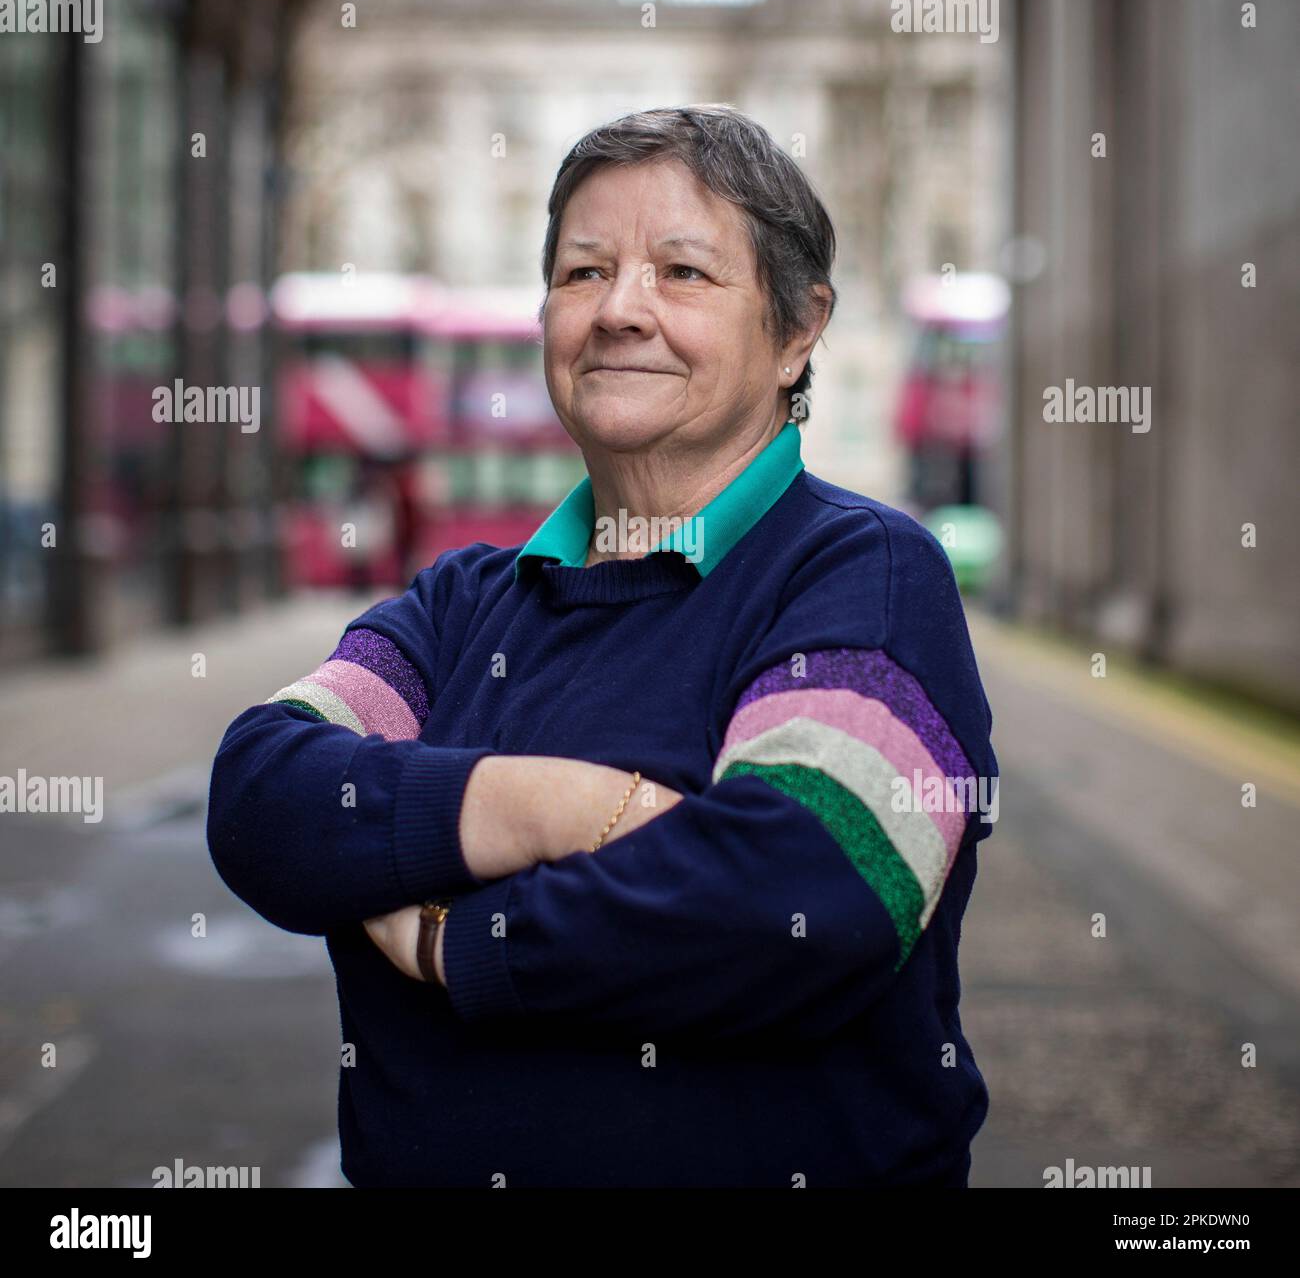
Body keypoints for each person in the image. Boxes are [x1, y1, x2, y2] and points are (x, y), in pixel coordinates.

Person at [207, 103, 998, 1188]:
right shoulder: (459, 604)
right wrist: (566, 811)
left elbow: (803, 890)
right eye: (582, 273)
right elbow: (264, 796)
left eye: (682, 273)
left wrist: (454, 940)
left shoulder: (864, 573)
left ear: (798, 328)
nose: (620, 310)